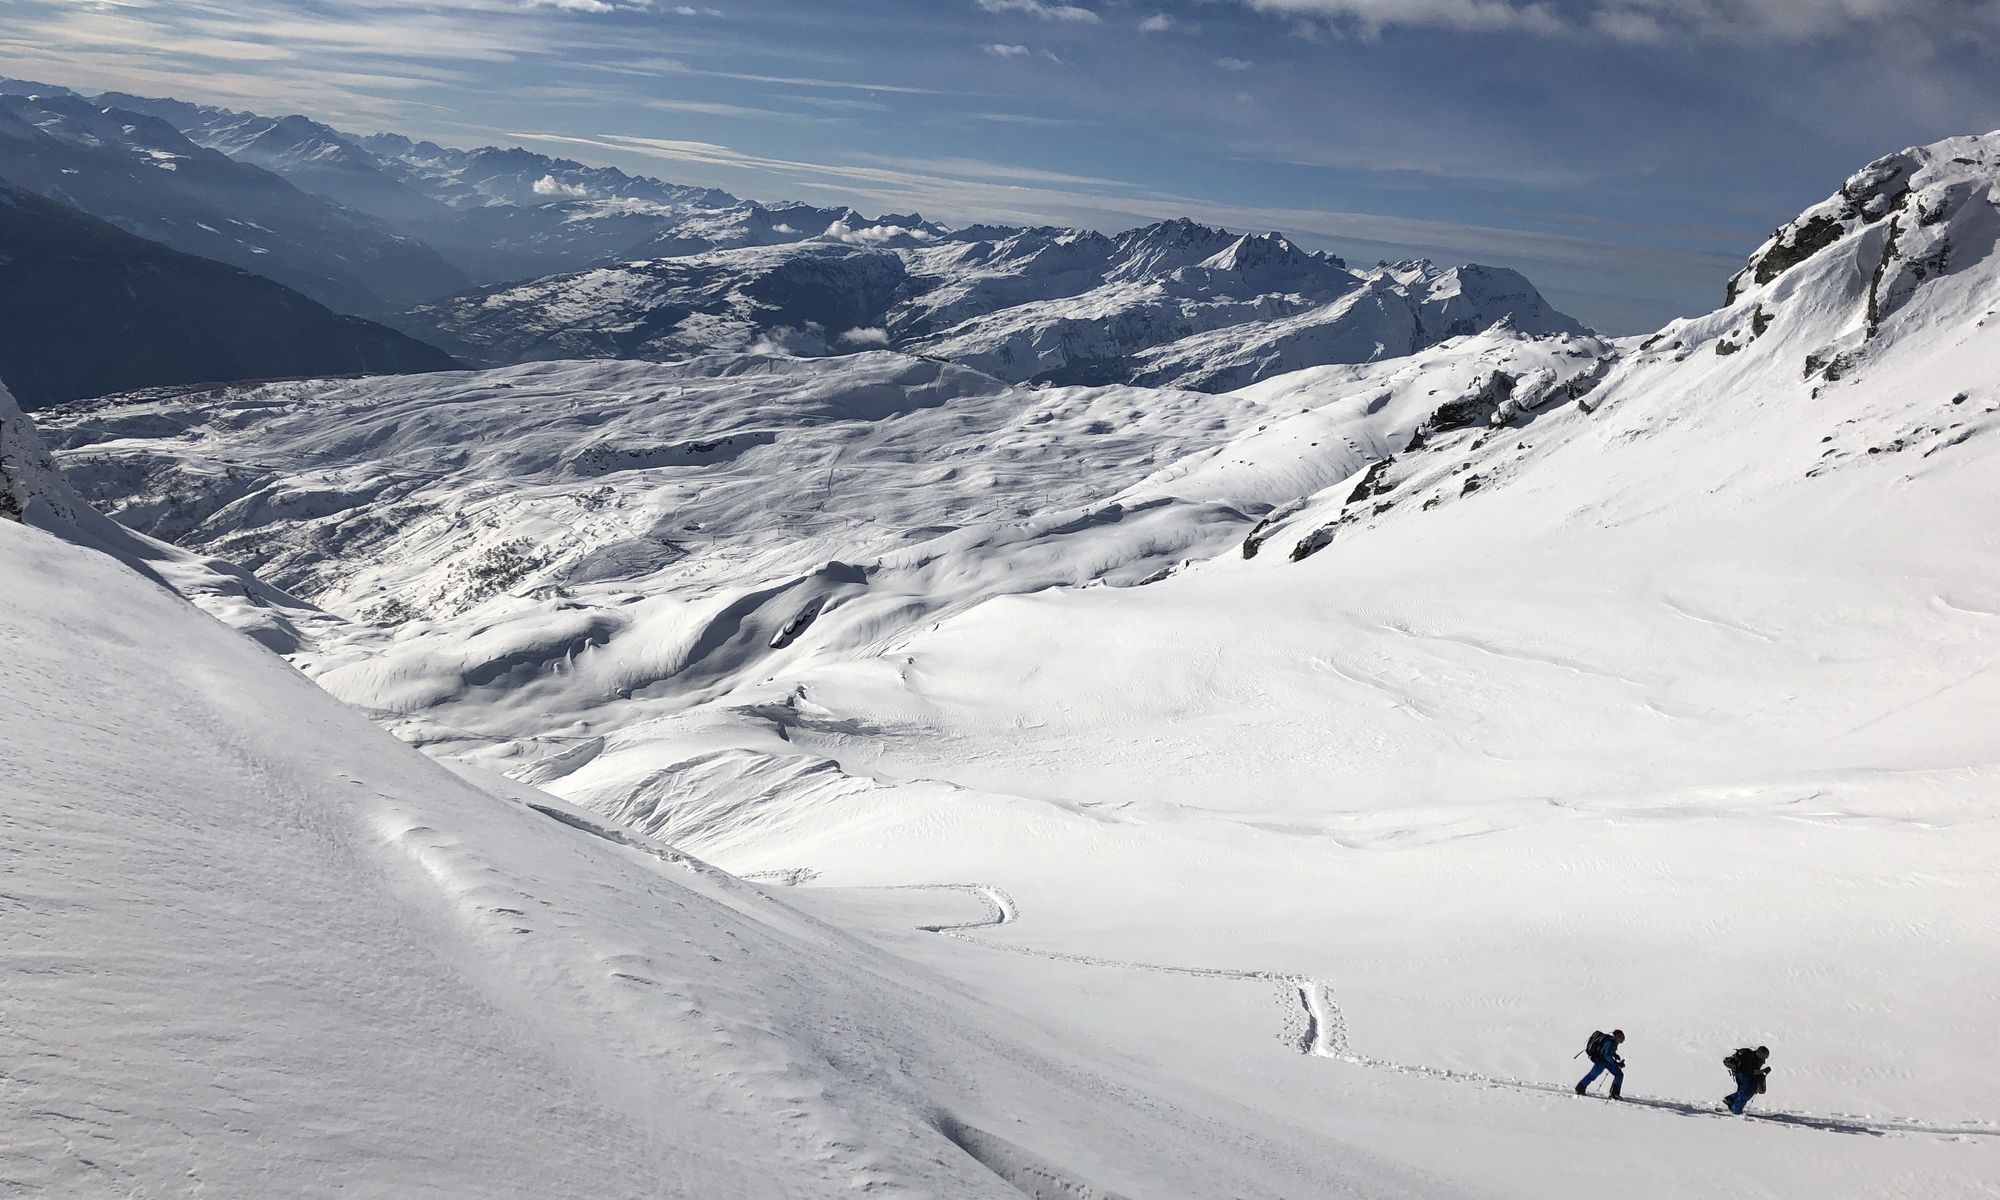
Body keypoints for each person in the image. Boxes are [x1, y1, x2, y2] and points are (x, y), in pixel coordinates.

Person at [1575, 1029, 1626, 1099]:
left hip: (1605, 1062)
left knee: (1619, 1075)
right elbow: (1607, 1055)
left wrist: (1614, 1055)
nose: (1623, 1039)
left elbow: (1608, 1052)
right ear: (1617, 1036)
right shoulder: (1610, 1042)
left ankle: (1614, 1094)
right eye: (1622, 1037)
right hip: (1601, 1062)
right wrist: (1617, 1064)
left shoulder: (1613, 1042)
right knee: (1592, 1075)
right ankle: (1580, 1088)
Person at [1723, 1045, 1771, 1114]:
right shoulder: (1749, 1057)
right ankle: (1736, 1110)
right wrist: (1763, 1071)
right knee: (1746, 1092)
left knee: (1749, 1090)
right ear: (1760, 1054)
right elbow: (1749, 1071)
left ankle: (1731, 1099)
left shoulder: (1756, 1059)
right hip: (1742, 1075)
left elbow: (1753, 1072)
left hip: (1744, 1075)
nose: (1764, 1060)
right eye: (1764, 1056)